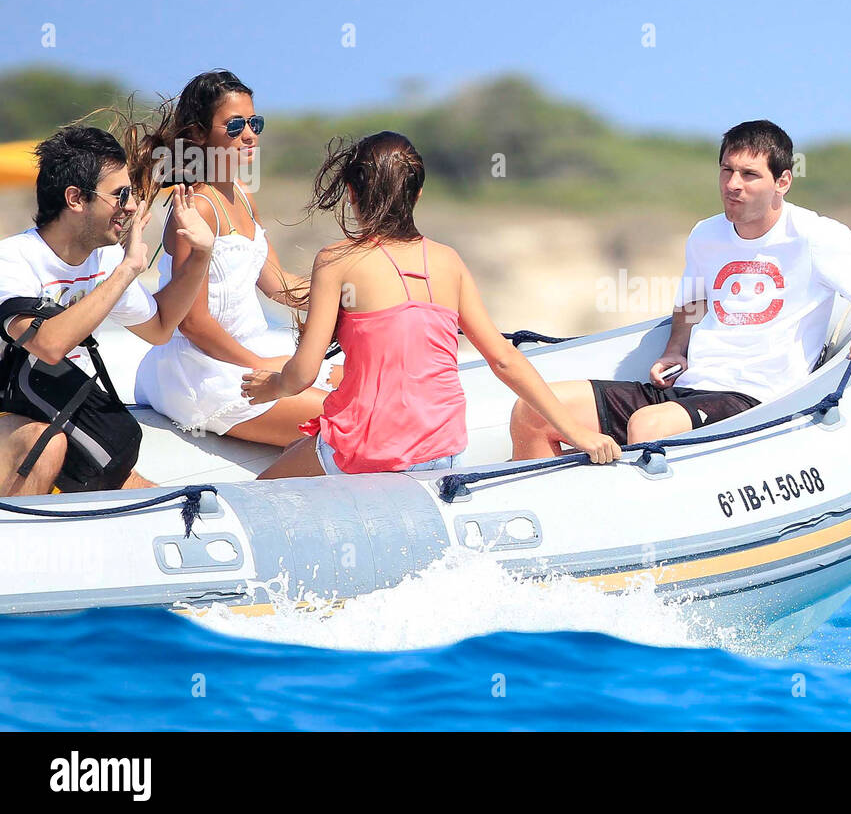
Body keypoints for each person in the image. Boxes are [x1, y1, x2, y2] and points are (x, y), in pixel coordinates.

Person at [510, 119, 851, 458]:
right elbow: (692, 302)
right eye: (727, 170)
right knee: (533, 410)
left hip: (755, 397)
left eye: (749, 174)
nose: (733, 184)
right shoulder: (706, 234)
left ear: (783, 181)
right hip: (690, 389)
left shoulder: (814, 235)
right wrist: (675, 348)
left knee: (649, 425)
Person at [240, 131, 618, 478]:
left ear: (352, 193)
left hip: (364, 448)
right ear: (417, 195)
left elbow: (303, 374)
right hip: (442, 449)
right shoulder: (447, 262)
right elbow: (504, 359)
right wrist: (575, 433)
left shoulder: (336, 261)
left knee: (266, 490)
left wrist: (271, 387)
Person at [0, 126, 215, 495]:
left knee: (160, 504)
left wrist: (201, 256)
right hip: (14, 417)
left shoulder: (105, 259)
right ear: (75, 199)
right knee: (46, 445)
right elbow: (48, 345)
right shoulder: (13, 261)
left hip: (60, 410)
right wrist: (128, 270)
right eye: (120, 195)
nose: (131, 206)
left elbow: (160, 327)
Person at [131, 70, 330, 445]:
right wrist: (266, 369)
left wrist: (352, 300)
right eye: (235, 125)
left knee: (365, 388)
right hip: (207, 370)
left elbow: (278, 285)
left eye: (255, 122)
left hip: (254, 352)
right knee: (347, 415)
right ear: (199, 134)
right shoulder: (195, 207)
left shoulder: (242, 195)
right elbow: (192, 322)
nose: (250, 134)